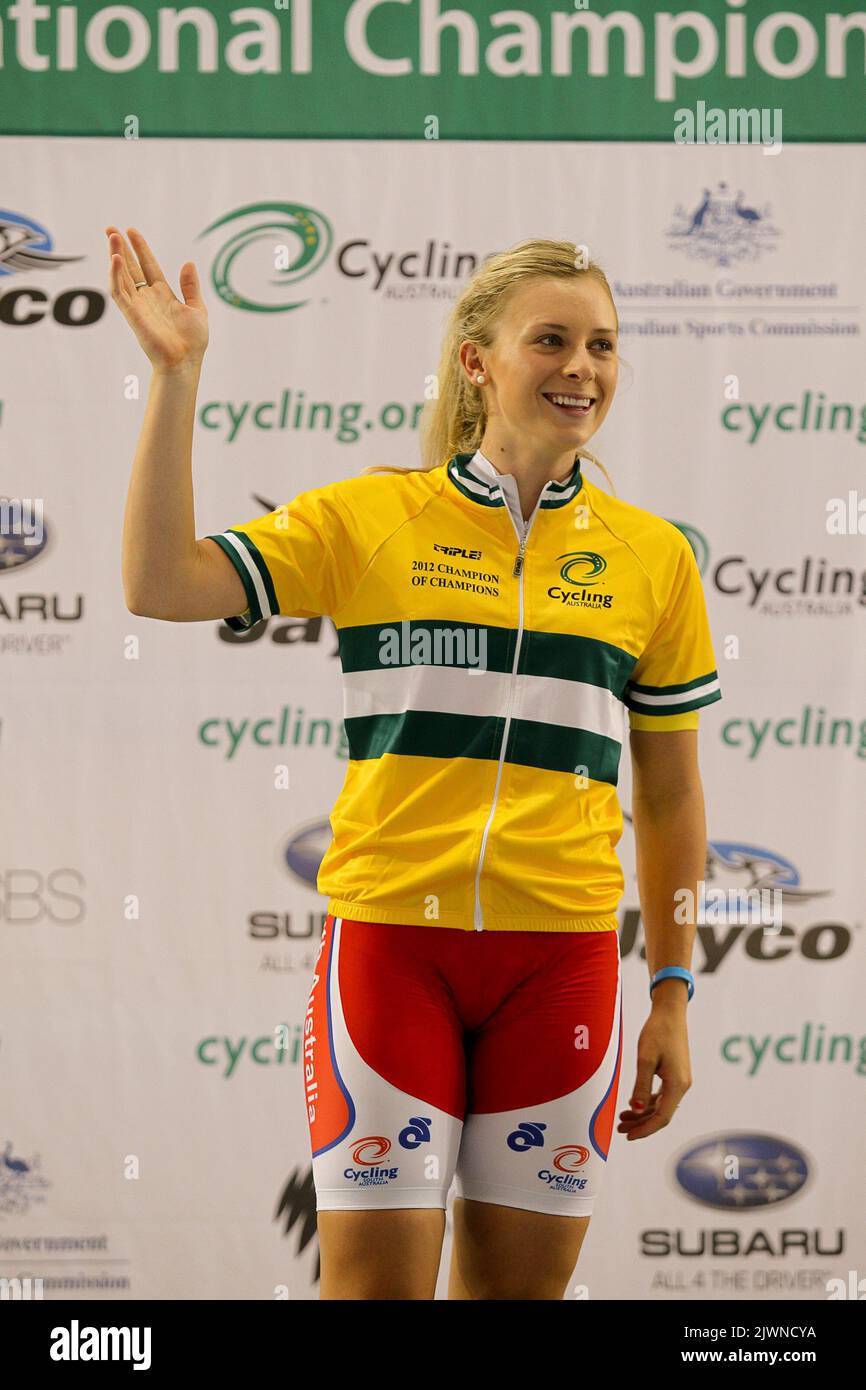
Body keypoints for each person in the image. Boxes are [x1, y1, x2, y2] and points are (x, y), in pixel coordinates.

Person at [107, 226, 721, 1301]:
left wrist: (669, 986)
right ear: (477, 360)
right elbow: (161, 580)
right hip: (392, 951)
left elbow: (668, 793)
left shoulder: (654, 556)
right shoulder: (375, 515)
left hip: (561, 963)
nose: (580, 368)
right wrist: (176, 375)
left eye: (602, 346)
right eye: (550, 340)